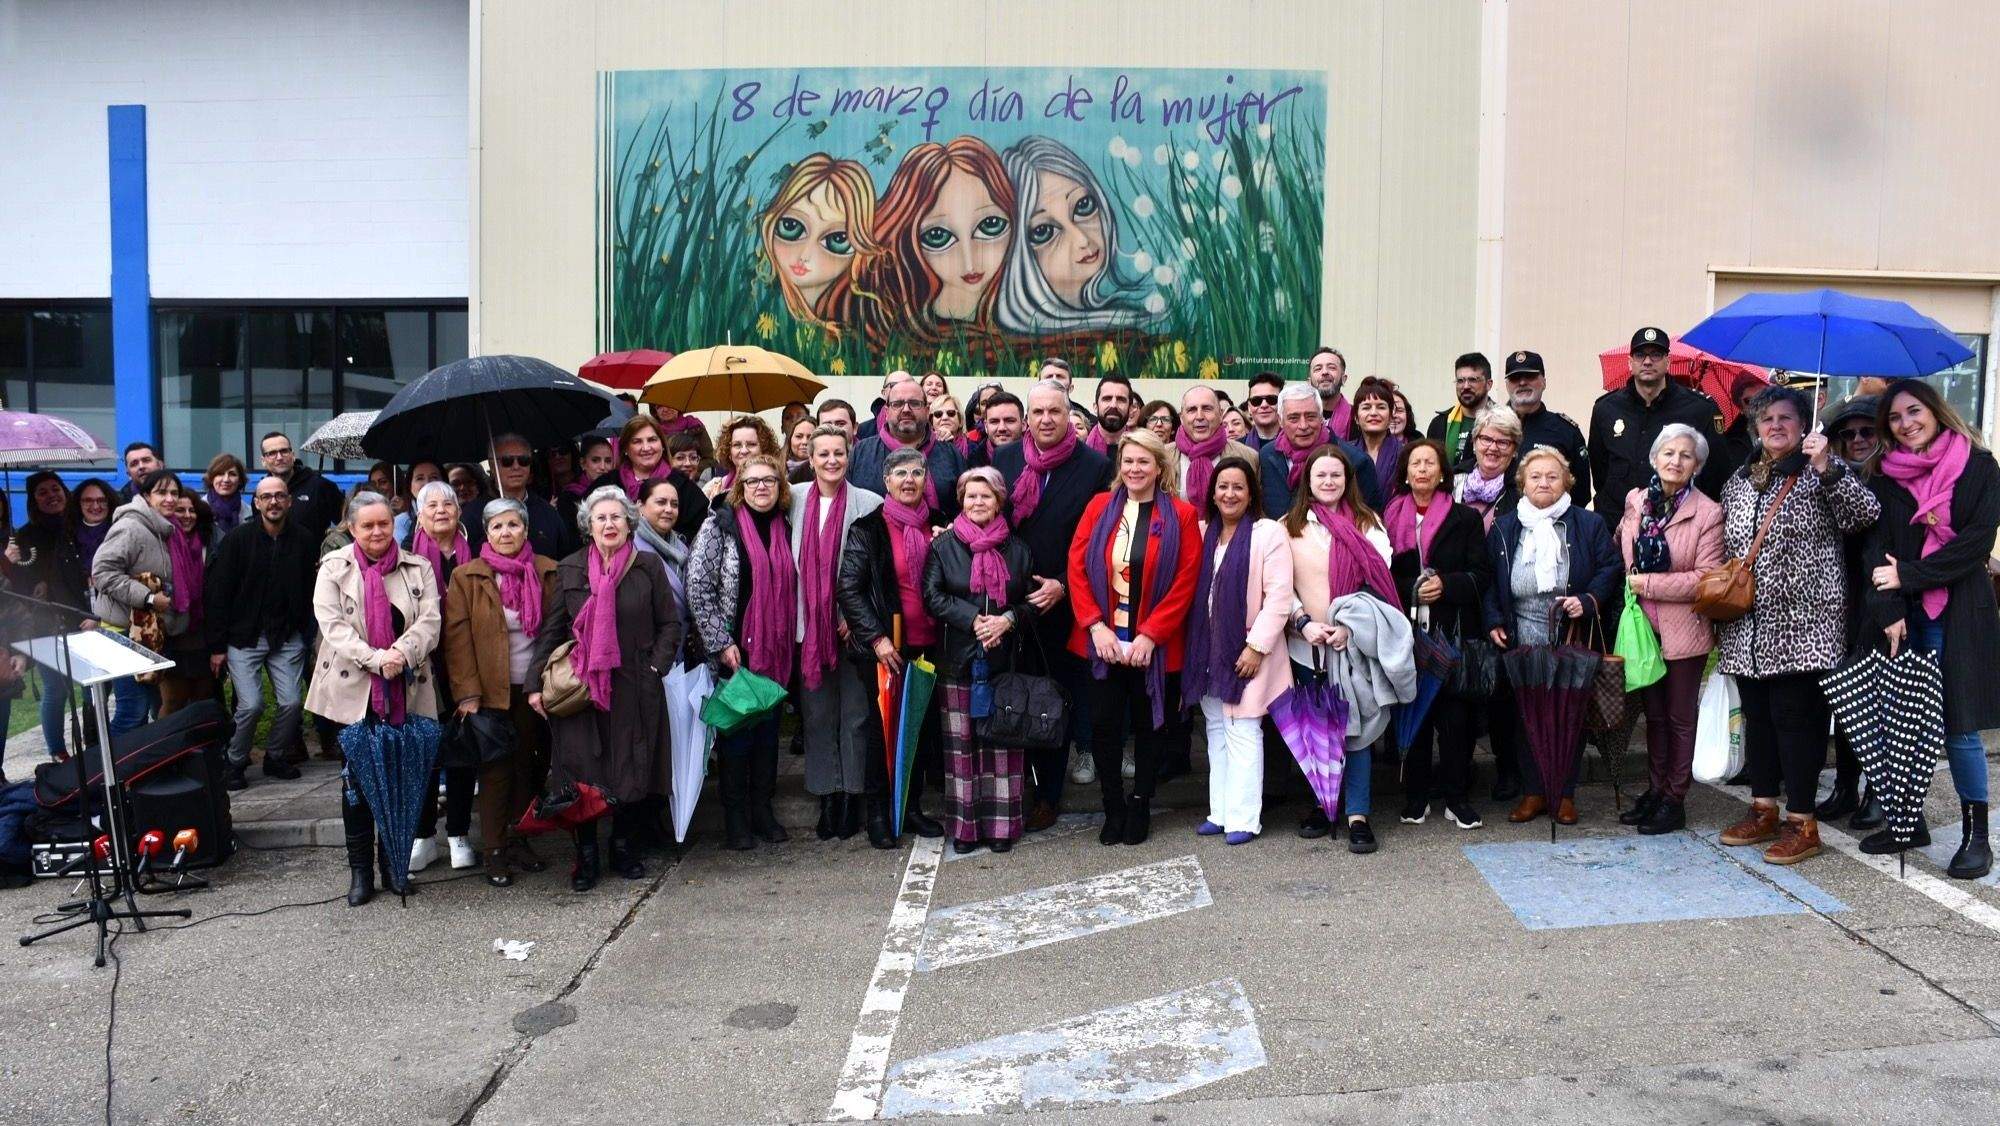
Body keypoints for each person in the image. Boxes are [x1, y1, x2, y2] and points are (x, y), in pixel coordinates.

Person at [1714, 385, 1879, 865]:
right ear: (1755, 428)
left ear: (1805, 425)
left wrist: (1827, 467)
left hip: (1806, 625)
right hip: (1749, 627)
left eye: (1787, 418)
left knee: (1798, 721)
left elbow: (1864, 515)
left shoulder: (1823, 471)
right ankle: (1763, 808)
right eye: (1767, 419)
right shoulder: (1740, 479)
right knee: (1760, 720)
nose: (1776, 426)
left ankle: (1802, 822)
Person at [1865, 379, 1998, 878]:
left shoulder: (1979, 467)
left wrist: (1911, 574)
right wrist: (1891, 606)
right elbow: (1877, 550)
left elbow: (1975, 545)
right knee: (1905, 725)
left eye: (1913, 411)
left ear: (1936, 411)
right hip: (1906, 616)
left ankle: (1976, 838)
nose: (1906, 424)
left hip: (1958, 612)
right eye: (1895, 418)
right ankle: (1908, 823)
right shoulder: (1884, 476)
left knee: (1959, 728)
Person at [529, 487, 679, 889]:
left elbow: (670, 624)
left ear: (630, 523)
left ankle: (624, 847)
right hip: (581, 687)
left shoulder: (647, 566)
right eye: (601, 518)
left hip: (635, 683)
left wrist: (655, 665)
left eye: (617, 517)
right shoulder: (571, 568)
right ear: (588, 526)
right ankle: (587, 855)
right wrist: (534, 684)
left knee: (631, 768)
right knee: (582, 771)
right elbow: (553, 629)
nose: (609, 524)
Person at [1067, 429, 1201, 847]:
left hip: (1153, 649)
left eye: (1144, 462)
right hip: (1102, 644)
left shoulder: (1180, 514)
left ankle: (1141, 801)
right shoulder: (1099, 507)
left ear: (1159, 467)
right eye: (1128, 461)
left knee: (1149, 728)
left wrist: (1151, 636)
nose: (1134, 469)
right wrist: (1095, 625)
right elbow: (1076, 567)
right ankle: (1113, 806)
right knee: (1105, 726)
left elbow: (1185, 580)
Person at [307, 492, 442, 906]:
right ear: (352, 528)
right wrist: (377, 658)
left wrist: (401, 654)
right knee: (358, 785)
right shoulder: (334, 567)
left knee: (402, 780)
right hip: (354, 689)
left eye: (384, 523)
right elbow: (331, 625)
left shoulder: (417, 567)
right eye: (368, 525)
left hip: (406, 685)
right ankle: (361, 873)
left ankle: (394, 867)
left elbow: (431, 621)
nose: (377, 531)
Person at [990, 380, 1113, 824]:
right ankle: (1012, 788)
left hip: (1063, 601)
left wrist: (1062, 583)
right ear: (1027, 418)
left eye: (1054, 412)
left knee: (1053, 697)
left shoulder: (1095, 466)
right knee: (1009, 695)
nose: (1046, 420)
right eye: (1038, 412)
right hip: (1009, 599)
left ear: (1069, 416)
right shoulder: (1003, 459)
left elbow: (1100, 537)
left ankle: (1049, 795)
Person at [1483, 446, 1623, 824]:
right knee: (1526, 717)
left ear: (1567, 482)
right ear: (1522, 484)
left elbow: (1611, 567)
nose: (1543, 482)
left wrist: (1588, 599)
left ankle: (1563, 793)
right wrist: (1494, 618)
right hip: (1521, 633)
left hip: (1569, 633)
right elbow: (1491, 582)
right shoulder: (1504, 526)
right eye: (1535, 477)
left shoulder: (1587, 524)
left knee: (1568, 715)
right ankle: (1534, 792)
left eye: (1552, 476)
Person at [1283, 444, 1403, 850]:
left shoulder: (1369, 524)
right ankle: (1324, 805)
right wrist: (1302, 622)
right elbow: (1279, 586)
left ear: (1347, 480)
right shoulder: (1288, 526)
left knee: (1358, 733)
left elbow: (1378, 586)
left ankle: (1358, 815)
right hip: (1306, 647)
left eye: (1336, 475)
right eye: (1321, 475)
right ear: (1308, 481)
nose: (1329, 481)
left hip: (1353, 647)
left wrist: (1349, 629)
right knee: (1317, 732)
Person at [443, 497, 559, 887]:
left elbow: (556, 631)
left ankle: (521, 838)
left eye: (513, 525)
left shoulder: (546, 571)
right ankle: (494, 849)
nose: (505, 532)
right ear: (486, 533)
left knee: (529, 765)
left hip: (533, 689)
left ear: (526, 530)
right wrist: (467, 694)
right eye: (497, 526)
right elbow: (457, 641)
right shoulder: (468, 576)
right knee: (495, 771)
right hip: (488, 692)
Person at [1615, 424, 1725, 835]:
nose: (1675, 461)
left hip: (1685, 630)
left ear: (1696, 464)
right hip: (1642, 627)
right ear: (1654, 458)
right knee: (1654, 717)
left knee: (1680, 718)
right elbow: (1625, 549)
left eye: (1685, 455)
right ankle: (1655, 789)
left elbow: (1706, 577)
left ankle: (1674, 798)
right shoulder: (1636, 502)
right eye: (1668, 453)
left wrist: (1650, 584)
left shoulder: (1708, 511)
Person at [922, 467, 1039, 853]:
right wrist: (972, 620)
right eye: (971, 496)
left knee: (1002, 746)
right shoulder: (943, 546)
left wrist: (1006, 621)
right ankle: (966, 830)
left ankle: (1002, 828)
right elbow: (932, 596)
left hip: (1003, 663)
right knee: (961, 749)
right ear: (961, 500)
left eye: (985, 496)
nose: (977, 503)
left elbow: (1029, 603)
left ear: (1000, 501)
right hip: (958, 661)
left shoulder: (1019, 550)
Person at [837, 447, 949, 846]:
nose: (908, 480)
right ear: (886, 482)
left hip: (928, 645)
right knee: (881, 732)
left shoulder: (939, 526)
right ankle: (878, 815)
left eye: (916, 472)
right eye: (899, 473)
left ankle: (911, 807)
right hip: (887, 647)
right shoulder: (868, 529)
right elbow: (849, 588)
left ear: (925, 479)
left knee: (916, 729)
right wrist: (878, 639)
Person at [688, 456, 800, 851]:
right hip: (735, 651)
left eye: (769, 480)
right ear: (740, 486)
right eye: (752, 481)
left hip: (776, 650)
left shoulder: (786, 524)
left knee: (768, 736)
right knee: (736, 739)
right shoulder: (720, 524)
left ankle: (762, 811)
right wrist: (720, 642)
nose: (761, 488)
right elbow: (699, 586)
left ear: (780, 486)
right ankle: (735, 818)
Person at [1183, 457, 1293, 844]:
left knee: (1244, 728)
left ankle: (1245, 819)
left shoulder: (1268, 533)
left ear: (1251, 495)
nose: (1229, 494)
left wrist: (1256, 647)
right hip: (1208, 650)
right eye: (1223, 486)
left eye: (1238, 487)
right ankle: (1221, 811)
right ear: (1212, 493)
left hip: (1249, 650)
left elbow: (1279, 597)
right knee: (1216, 729)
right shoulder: (1201, 532)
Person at [1386, 439, 1494, 830]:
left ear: (1442, 472)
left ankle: (1456, 798)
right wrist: (1408, 589)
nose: (1422, 470)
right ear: (1405, 472)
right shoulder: (1390, 516)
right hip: (1406, 633)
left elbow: (1481, 576)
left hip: (1451, 633)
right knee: (1413, 713)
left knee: (1455, 719)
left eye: (1430, 463)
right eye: (1415, 464)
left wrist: (1446, 586)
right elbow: (1381, 576)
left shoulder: (1464, 518)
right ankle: (1416, 798)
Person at [789, 426, 884, 840]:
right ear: (809, 459)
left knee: (856, 715)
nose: (831, 461)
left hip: (853, 628)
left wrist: (853, 616)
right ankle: (827, 794)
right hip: (808, 626)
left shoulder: (869, 502)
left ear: (849, 457)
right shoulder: (791, 500)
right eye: (823, 454)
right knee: (817, 714)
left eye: (839, 454)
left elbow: (874, 571)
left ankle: (852, 795)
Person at [204, 474, 315, 789]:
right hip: (244, 634)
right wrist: (217, 645)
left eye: (280, 495)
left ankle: (275, 756)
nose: (274, 502)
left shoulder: (304, 539)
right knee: (251, 704)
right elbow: (219, 593)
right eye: (266, 496)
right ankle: (235, 761)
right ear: (256, 502)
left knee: (293, 702)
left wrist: (304, 628)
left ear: (289, 501)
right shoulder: (238, 539)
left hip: (287, 634)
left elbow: (310, 587)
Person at [396, 480, 480, 872]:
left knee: (463, 752)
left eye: (449, 503)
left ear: (460, 511)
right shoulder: (407, 558)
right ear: (419, 514)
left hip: (466, 663)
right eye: (431, 505)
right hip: (422, 668)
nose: (441, 510)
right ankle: (423, 836)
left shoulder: (477, 552)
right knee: (423, 753)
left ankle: (459, 833)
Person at [1817, 393, 1883, 825]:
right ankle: (1845, 785)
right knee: (1846, 697)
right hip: (1841, 598)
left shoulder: (1889, 478)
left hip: (1880, 598)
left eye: (1867, 431)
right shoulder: (1834, 476)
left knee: (1879, 699)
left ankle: (1879, 791)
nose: (1858, 439)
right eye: (1848, 433)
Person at [1589, 327, 1730, 521]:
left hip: (1676, 525)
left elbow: (1715, 473)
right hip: (1616, 525)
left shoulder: (1699, 409)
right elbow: (1600, 472)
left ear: (1668, 362)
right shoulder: (1606, 409)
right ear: (1630, 363)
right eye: (1640, 355)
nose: (1647, 361)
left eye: (1656, 355)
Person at [91, 470, 187, 736]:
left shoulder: (164, 528)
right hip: (123, 631)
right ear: (146, 495)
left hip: (147, 632)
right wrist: (147, 598)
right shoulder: (131, 526)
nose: (170, 499)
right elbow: (102, 572)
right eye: (162, 492)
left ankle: (139, 770)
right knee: (132, 711)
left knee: (153, 706)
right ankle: (110, 771)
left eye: (174, 493)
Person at [850, 373, 969, 516]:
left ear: (926, 411)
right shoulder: (861, 453)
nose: (906, 409)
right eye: (898, 404)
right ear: (887, 412)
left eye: (914, 403)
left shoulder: (950, 453)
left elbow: (966, 506)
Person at [1260, 384, 1384, 517]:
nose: (1303, 426)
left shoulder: (1356, 462)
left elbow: (1368, 519)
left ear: (1321, 417)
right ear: (1280, 420)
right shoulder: (1267, 455)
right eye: (1294, 418)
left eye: (1310, 417)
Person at [1500, 352, 1591, 507]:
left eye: (1530, 376)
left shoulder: (1565, 431)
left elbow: (1581, 492)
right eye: (1515, 378)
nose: (1522, 382)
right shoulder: (1490, 427)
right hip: (1501, 525)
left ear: (1544, 382)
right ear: (1507, 384)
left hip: (1551, 523)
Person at [597, 413, 710, 538]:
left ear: (662, 445)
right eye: (637, 442)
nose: (646, 448)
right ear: (625, 449)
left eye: (652, 440)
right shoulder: (607, 485)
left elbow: (703, 532)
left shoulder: (682, 485)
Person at [471, 433, 580, 560]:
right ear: (492, 465)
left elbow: (565, 559)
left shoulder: (547, 512)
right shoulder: (473, 514)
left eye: (523, 461)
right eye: (507, 461)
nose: (516, 466)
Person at [1175, 385, 1257, 505]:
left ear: (1220, 415)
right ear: (1182, 418)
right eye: (1192, 410)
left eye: (1207, 408)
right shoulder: (1163, 456)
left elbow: (1255, 506)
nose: (1199, 416)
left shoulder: (1248, 456)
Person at [259, 431, 341, 537]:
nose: (279, 457)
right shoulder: (261, 492)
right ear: (263, 461)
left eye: (284, 451)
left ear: (293, 455)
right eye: (272, 453)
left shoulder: (321, 487)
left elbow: (347, 523)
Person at [1454, 406, 1524, 531]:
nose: (1493, 448)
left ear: (1514, 450)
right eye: (1486, 439)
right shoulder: (1452, 479)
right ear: (1474, 442)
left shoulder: (1522, 489)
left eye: (1503, 442)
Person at [1426, 352, 1496, 469]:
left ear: (1488, 384)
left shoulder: (1505, 423)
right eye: (1460, 381)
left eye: (1473, 380)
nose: (1466, 386)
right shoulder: (1440, 424)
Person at [702, 414, 784, 498]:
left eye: (751, 444)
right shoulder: (713, 488)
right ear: (728, 451)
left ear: (764, 448)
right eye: (737, 445)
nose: (744, 451)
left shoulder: (779, 485)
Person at [1347, 376, 1404, 491]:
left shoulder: (1405, 454)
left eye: (1381, 407)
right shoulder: (1346, 453)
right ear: (1356, 417)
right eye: (1366, 407)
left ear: (1391, 416)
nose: (1373, 413)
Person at [1307, 347, 1353, 438]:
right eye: (1318, 369)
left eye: (1331, 367)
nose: (1324, 372)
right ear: (1309, 382)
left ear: (1343, 379)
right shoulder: (1300, 419)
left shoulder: (1357, 417)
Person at [394, 461, 445, 540]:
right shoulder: (401, 522)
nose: (427, 483)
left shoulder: (454, 517)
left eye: (434, 477)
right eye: (420, 478)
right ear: (410, 486)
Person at [1083, 374, 1135, 453]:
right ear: (1095, 407)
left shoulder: (1143, 450)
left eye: (1121, 400)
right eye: (1107, 399)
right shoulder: (1080, 451)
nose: (1113, 405)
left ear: (1130, 409)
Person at [203, 453, 249, 539]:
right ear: (212, 478)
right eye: (220, 474)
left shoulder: (250, 513)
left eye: (232, 474)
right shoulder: (198, 510)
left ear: (240, 480)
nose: (226, 479)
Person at [1243, 371, 1284, 448]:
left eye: (1271, 399)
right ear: (1249, 407)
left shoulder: (1298, 444)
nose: (1264, 405)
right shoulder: (1237, 449)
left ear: (1282, 403)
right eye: (1256, 400)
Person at [785, 415, 817, 481]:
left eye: (810, 437)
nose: (804, 442)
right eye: (799, 436)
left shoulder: (825, 471)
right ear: (790, 439)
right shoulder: (775, 468)